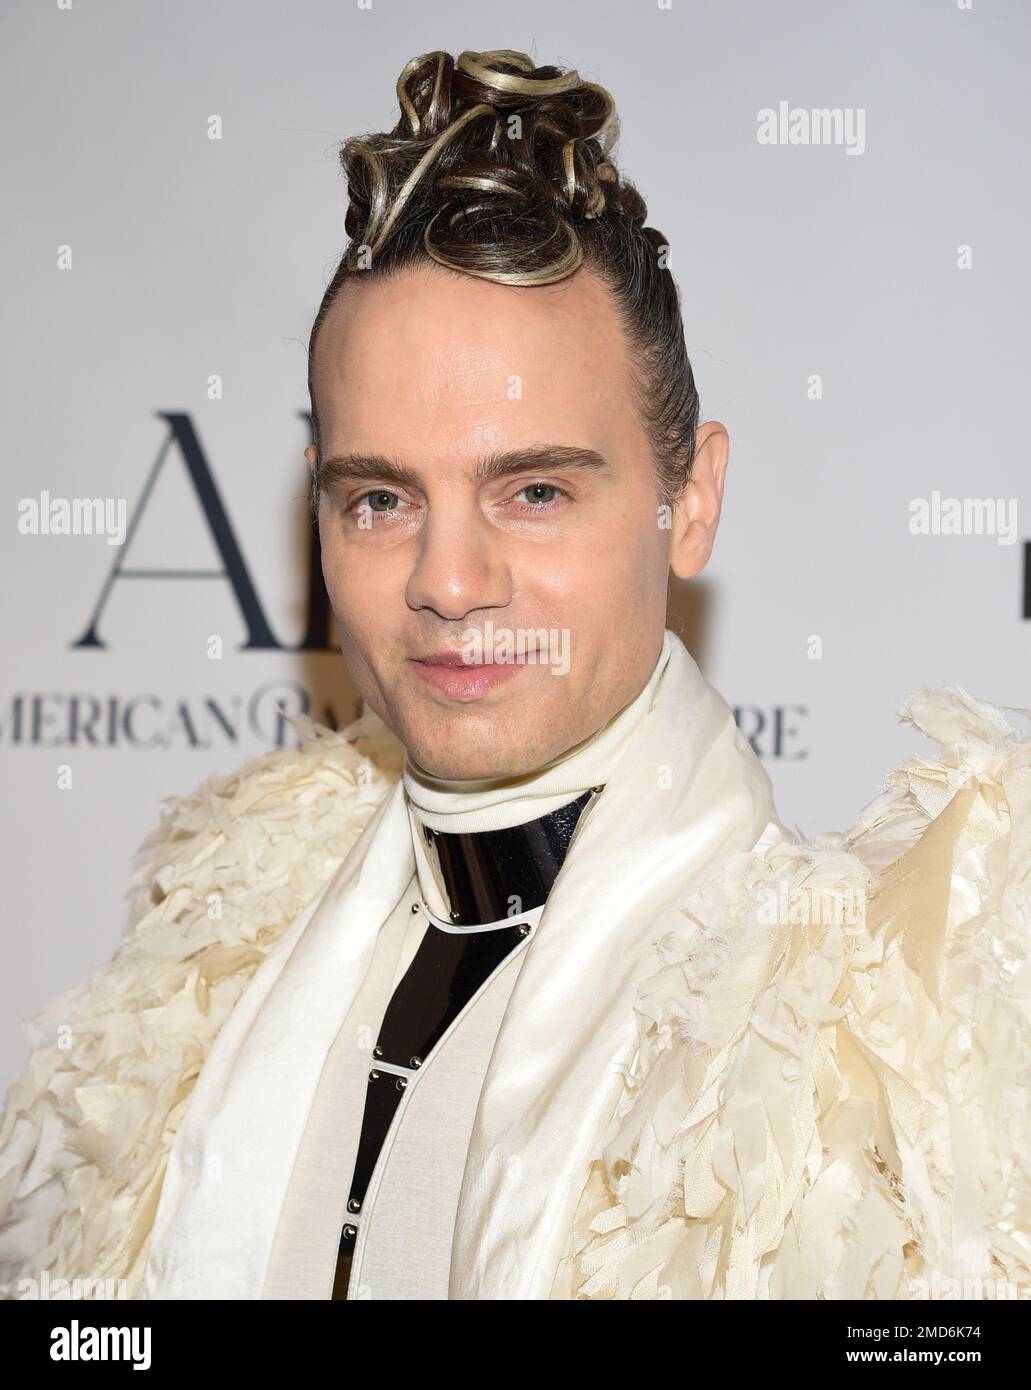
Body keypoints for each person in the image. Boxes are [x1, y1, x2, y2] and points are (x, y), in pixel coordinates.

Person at [1, 48, 1028, 1303]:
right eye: (380, 498)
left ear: (688, 501)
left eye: (532, 490)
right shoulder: (211, 967)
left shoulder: (856, 1064)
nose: (447, 578)